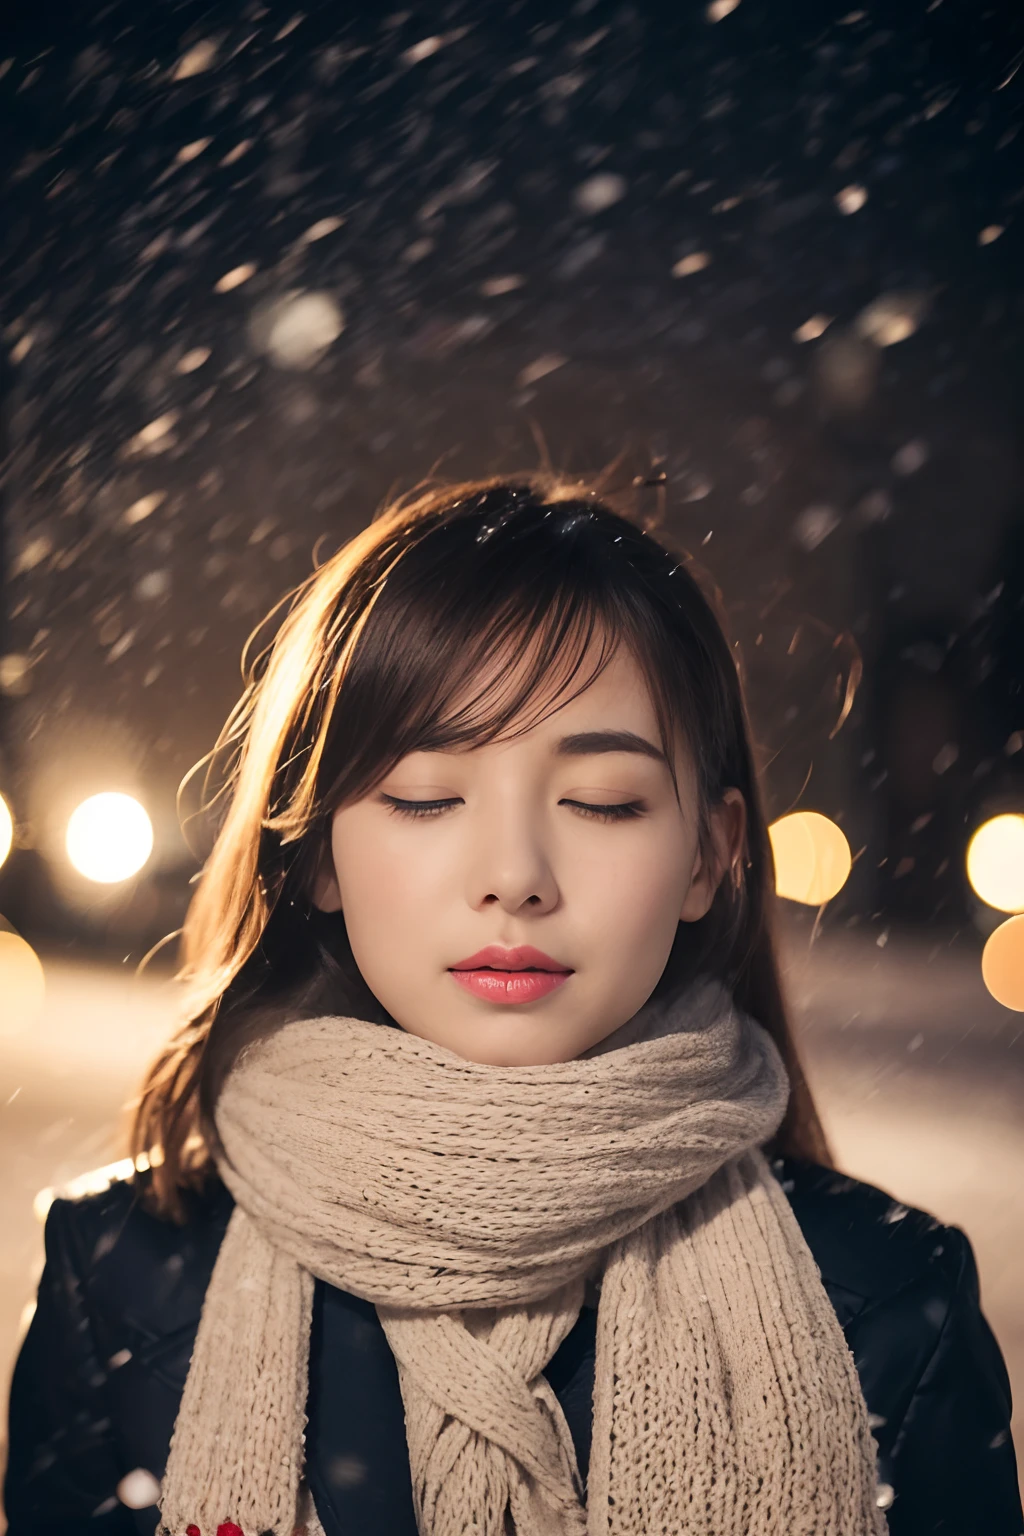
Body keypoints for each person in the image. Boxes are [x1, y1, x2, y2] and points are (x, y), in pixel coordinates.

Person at [5, 476, 1021, 1536]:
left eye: (602, 802)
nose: (514, 876)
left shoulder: (893, 1306)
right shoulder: (124, 1278)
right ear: (316, 855)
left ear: (709, 857)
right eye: (426, 797)